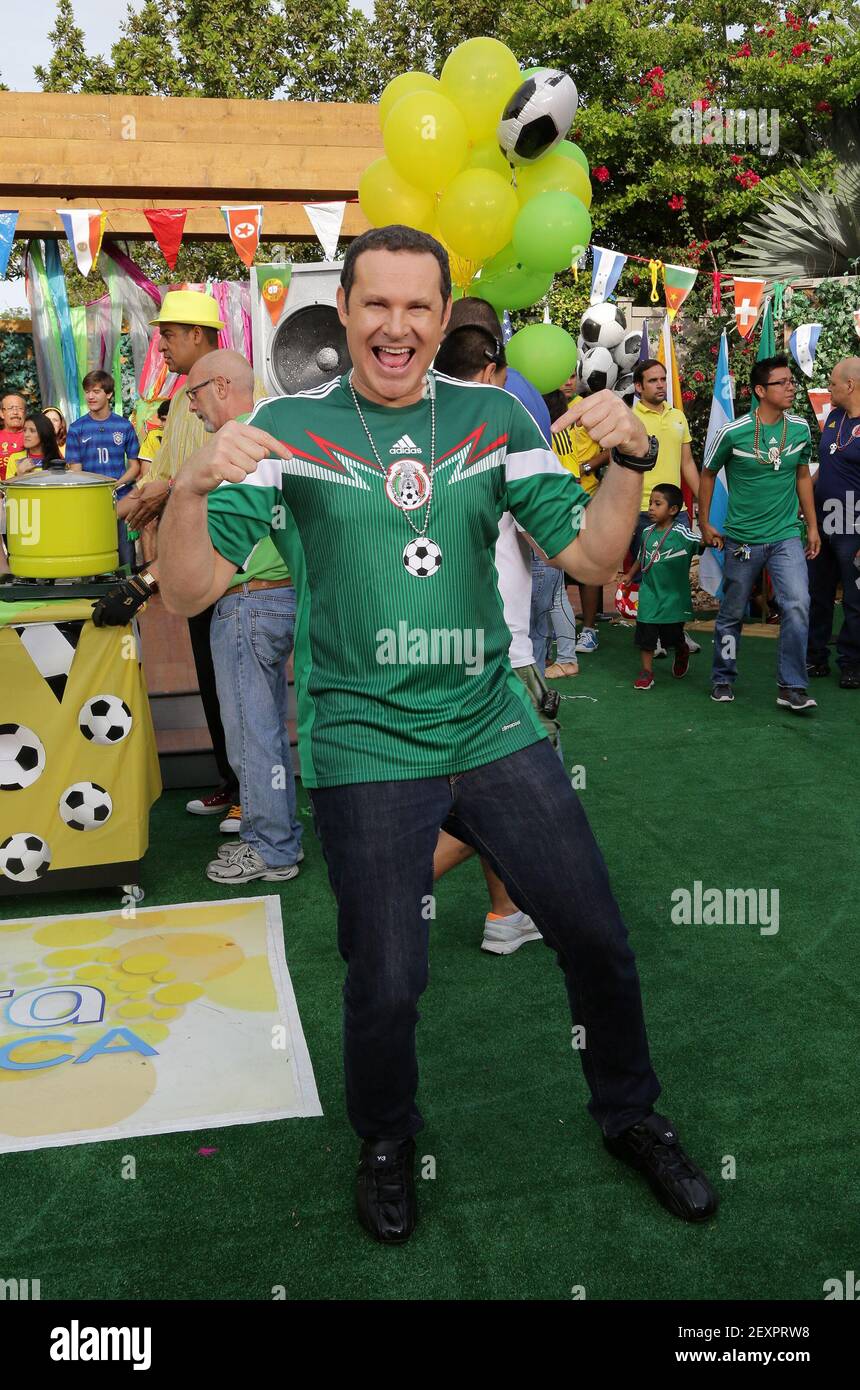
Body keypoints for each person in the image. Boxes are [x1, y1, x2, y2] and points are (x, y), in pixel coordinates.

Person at [157, 224, 717, 1244]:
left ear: (442, 313)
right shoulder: (288, 429)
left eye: (418, 308)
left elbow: (590, 561)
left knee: (593, 933)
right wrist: (192, 488)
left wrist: (631, 458)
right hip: (363, 743)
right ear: (346, 312)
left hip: (491, 724)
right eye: (377, 305)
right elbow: (188, 586)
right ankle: (384, 1140)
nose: (396, 327)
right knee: (386, 974)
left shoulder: (493, 417)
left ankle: (628, 1116)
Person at [431, 321, 557, 955]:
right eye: (504, 376)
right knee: (512, 795)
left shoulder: (422, 441)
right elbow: (558, 541)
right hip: (501, 653)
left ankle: (506, 911)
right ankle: (393, 879)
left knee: (483, 783)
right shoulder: (501, 436)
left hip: (446, 650)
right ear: (487, 371)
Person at [185, 349, 304, 883]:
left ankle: (272, 849)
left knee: (253, 732)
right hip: (282, 596)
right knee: (268, 729)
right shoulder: (275, 432)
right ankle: (281, 838)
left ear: (219, 386)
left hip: (248, 599)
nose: (192, 407)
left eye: (193, 394)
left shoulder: (236, 447)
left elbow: (216, 544)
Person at [121, 290, 240, 817]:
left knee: (232, 685)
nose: (160, 345)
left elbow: (216, 477)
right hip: (191, 560)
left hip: (228, 563)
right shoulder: (178, 401)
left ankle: (248, 793)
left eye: (168, 334)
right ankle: (230, 781)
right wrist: (144, 495)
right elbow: (170, 472)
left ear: (198, 334)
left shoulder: (231, 391)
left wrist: (163, 492)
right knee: (213, 679)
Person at [699, 354, 821, 711]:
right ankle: (723, 677)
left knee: (798, 604)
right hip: (743, 540)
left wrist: (812, 527)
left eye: (791, 382)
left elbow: (802, 477)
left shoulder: (798, 428)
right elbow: (707, 474)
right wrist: (705, 522)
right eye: (782, 383)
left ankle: (792, 685)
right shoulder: (732, 432)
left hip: (786, 536)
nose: (790, 387)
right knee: (733, 613)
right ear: (759, 390)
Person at [806, 356, 860, 689]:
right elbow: (824, 466)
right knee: (816, 592)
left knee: (855, 600)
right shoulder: (833, 418)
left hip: (854, 525)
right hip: (822, 523)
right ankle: (814, 657)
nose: (829, 387)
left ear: (850, 385)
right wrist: (802, 500)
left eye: (833, 383)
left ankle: (852, 663)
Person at [546, 386, 609, 660]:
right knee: (553, 577)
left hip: (572, 504)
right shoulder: (544, 431)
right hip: (558, 505)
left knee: (573, 570)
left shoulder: (563, 430)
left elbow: (569, 475)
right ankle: (553, 642)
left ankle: (582, 636)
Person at [622, 483, 701, 690]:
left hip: (672, 598)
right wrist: (630, 575)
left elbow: (699, 541)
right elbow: (641, 556)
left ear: (673, 510)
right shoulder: (647, 532)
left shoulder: (681, 533)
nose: (650, 508)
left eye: (657, 504)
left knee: (671, 637)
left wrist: (714, 540)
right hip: (649, 594)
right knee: (646, 635)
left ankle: (681, 648)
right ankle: (647, 672)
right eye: (650, 503)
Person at [64, 370, 141, 566]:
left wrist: (116, 484)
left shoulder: (123, 426)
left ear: (108, 394)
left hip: (122, 499)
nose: (90, 396)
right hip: (91, 501)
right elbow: (76, 471)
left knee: (126, 560)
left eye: (96, 391)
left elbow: (135, 466)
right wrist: (95, 490)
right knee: (94, 558)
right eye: (87, 391)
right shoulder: (76, 428)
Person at [631, 359, 700, 562]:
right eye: (653, 380)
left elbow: (687, 463)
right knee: (644, 576)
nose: (660, 384)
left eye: (663, 379)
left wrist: (705, 502)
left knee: (676, 574)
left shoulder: (678, 416)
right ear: (638, 386)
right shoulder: (629, 419)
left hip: (676, 512)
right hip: (643, 511)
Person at [0, 390, 27, 477]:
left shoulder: (35, 436)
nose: (15, 413)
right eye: (10, 408)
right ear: (1, 413)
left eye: (20, 408)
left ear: (25, 413)